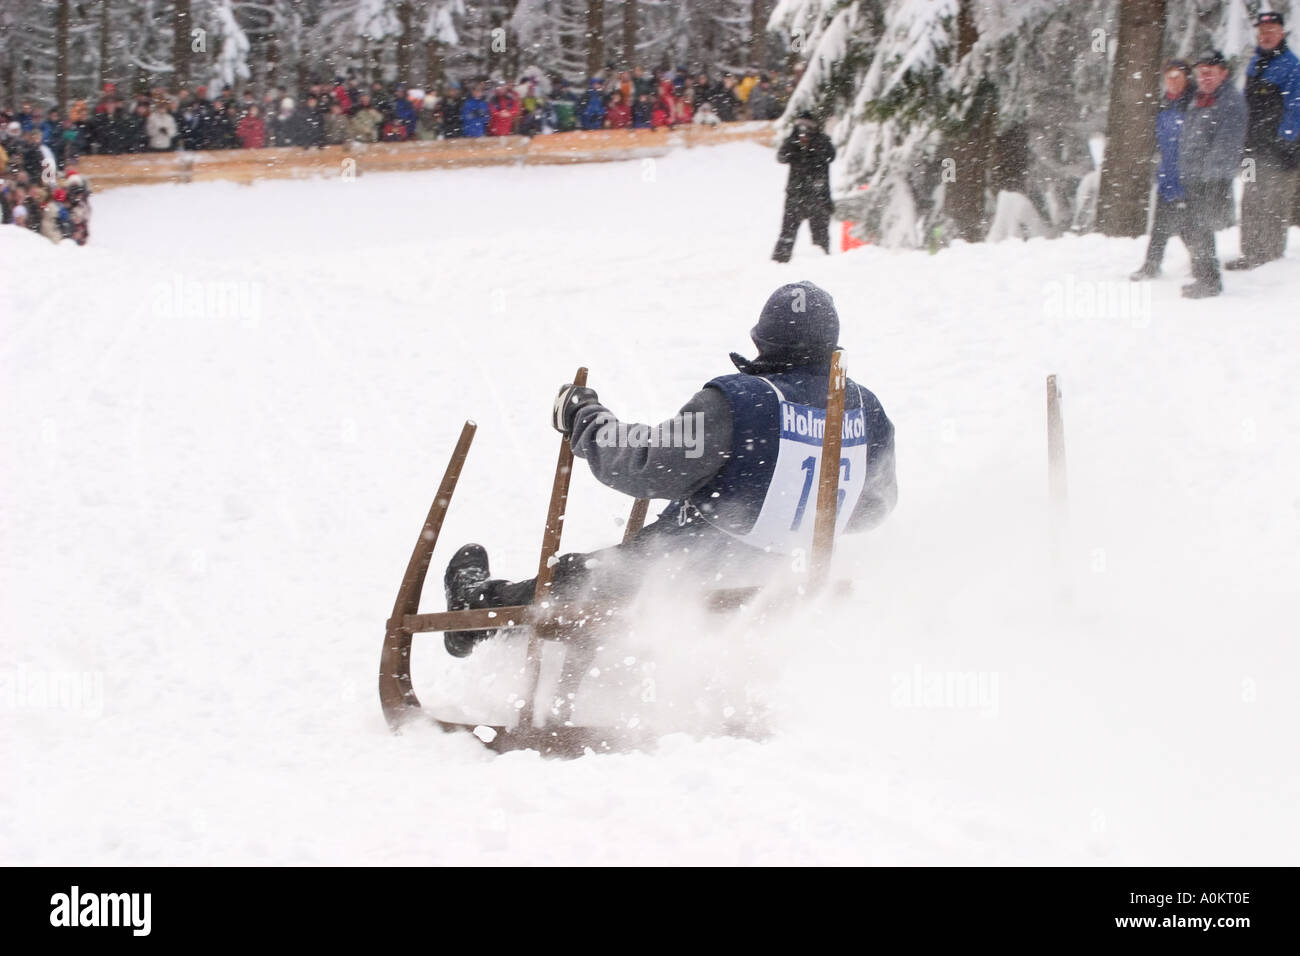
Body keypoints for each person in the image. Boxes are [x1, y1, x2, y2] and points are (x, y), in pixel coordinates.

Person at [440, 280, 898, 657]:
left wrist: (586, 418)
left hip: (689, 570)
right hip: (790, 577)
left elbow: (644, 466)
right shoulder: (864, 407)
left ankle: (473, 612)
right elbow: (876, 505)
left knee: (578, 577)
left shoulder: (739, 403)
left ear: (762, 341)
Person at [1226, 11, 1300, 270]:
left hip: (1278, 149)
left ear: (1282, 33)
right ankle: (1250, 254)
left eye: (1272, 30)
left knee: (1273, 204)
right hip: (1252, 147)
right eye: (1262, 31)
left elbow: (1296, 107)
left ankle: (1269, 261)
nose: (1266, 35)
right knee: (1251, 201)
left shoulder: (1292, 66)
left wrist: (1286, 141)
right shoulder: (1256, 61)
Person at [1176, 50, 1247, 298]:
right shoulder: (1200, 97)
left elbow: (1227, 145)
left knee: (1201, 227)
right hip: (1193, 175)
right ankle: (1203, 274)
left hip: (1212, 178)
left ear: (1223, 73)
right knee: (1190, 226)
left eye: (1211, 71)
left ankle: (1209, 281)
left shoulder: (1229, 101)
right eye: (1201, 72)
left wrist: (1211, 178)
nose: (1205, 76)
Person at [1132, 61, 1196, 280]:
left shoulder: (1194, 104)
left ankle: (1203, 262)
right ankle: (1151, 265)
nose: (1172, 81)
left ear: (1187, 79)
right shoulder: (1164, 104)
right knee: (1161, 224)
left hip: (1189, 175)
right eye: (1169, 77)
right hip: (1167, 173)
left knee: (1189, 224)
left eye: (1177, 76)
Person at [772, 112, 836, 263]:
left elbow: (830, 156)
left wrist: (813, 145)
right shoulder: (793, 143)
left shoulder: (822, 142)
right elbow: (781, 157)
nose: (804, 133)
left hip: (818, 196)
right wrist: (794, 142)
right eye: (800, 128)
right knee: (787, 234)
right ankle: (779, 263)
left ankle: (823, 262)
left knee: (820, 236)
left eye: (807, 128)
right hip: (796, 195)